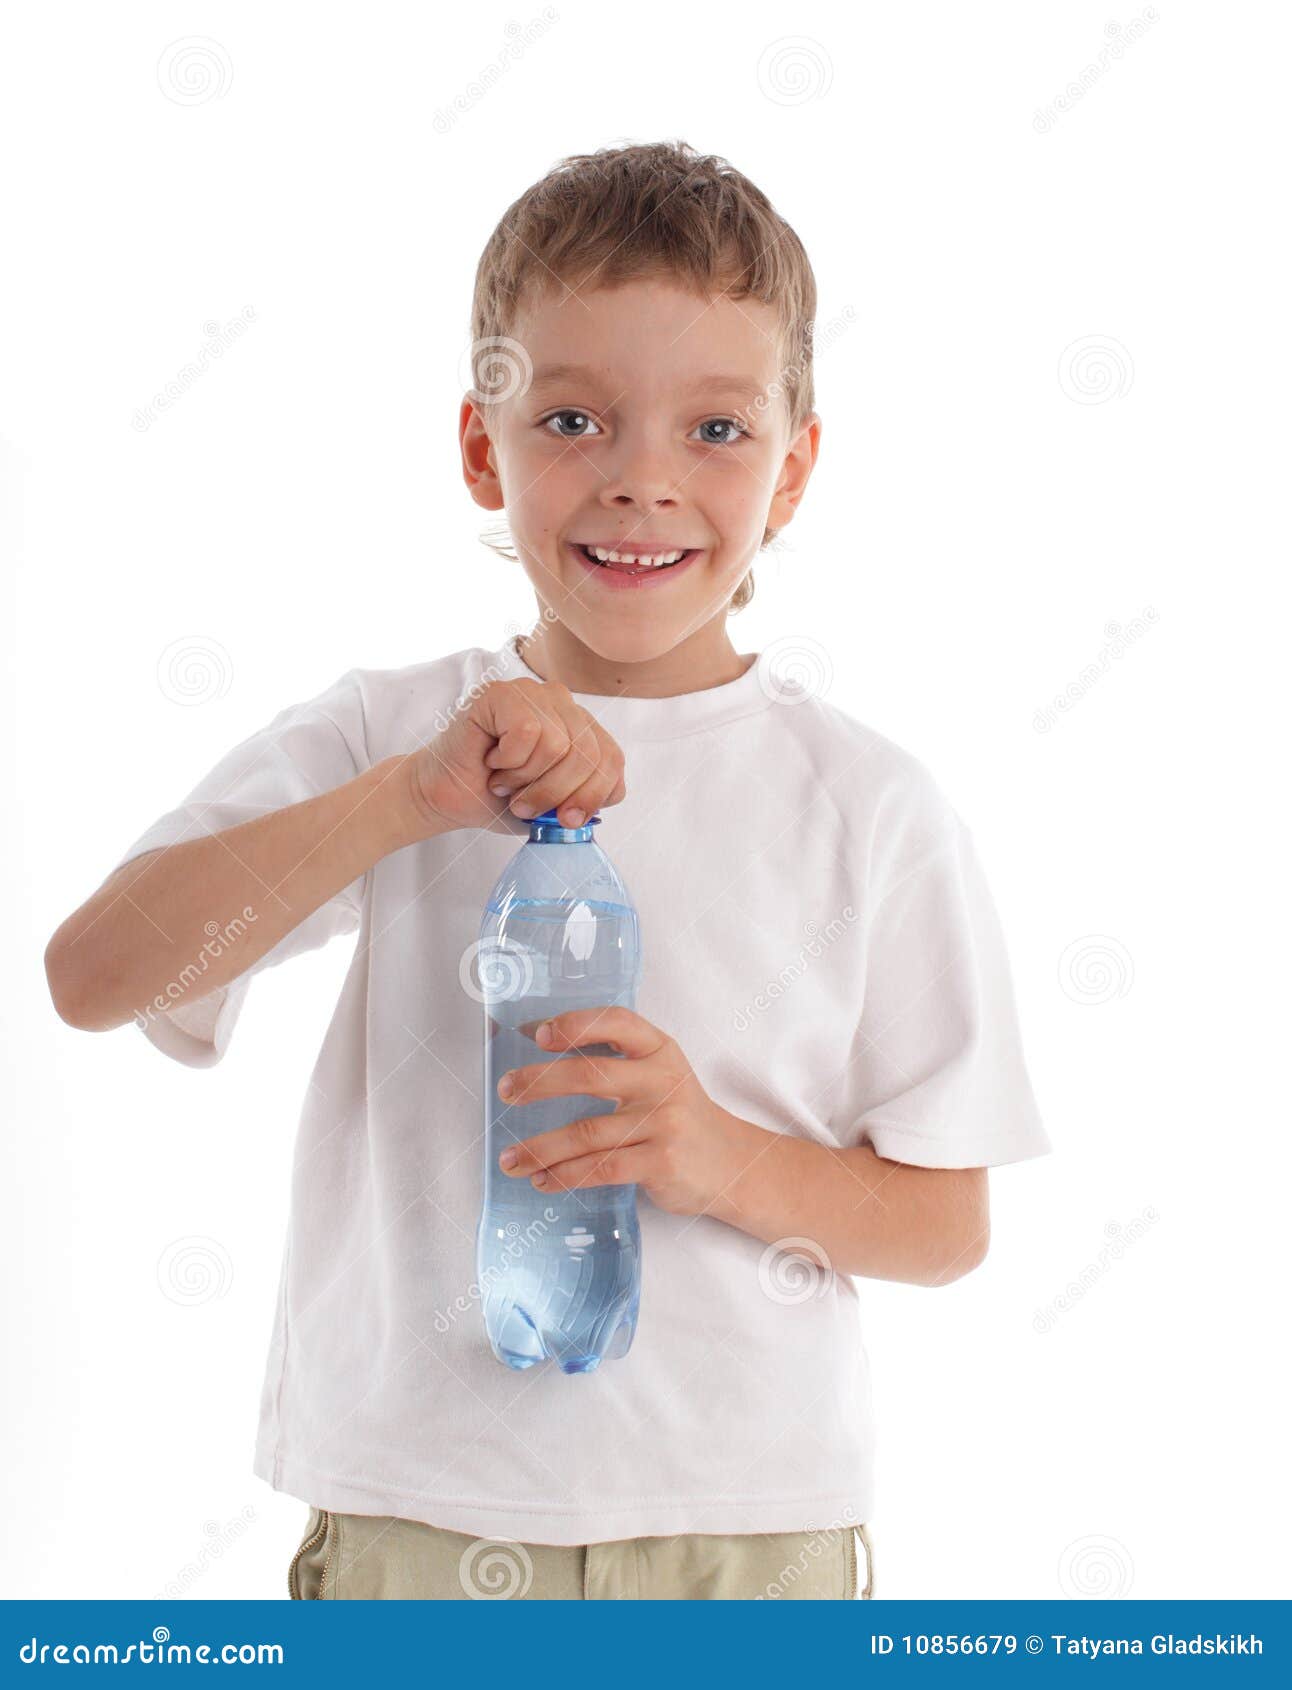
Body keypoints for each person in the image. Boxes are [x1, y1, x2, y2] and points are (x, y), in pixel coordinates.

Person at [44, 139, 1049, 1601]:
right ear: (480, 448)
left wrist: (719, 1157)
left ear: (794, 470)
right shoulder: (393, 738)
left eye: (715, 430)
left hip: (747, 1533)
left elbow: (946, 1221)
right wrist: (405, 800)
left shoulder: (869, 803)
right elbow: (94, 976)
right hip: (420, 1520)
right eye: (574, 417)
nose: (643, 482)